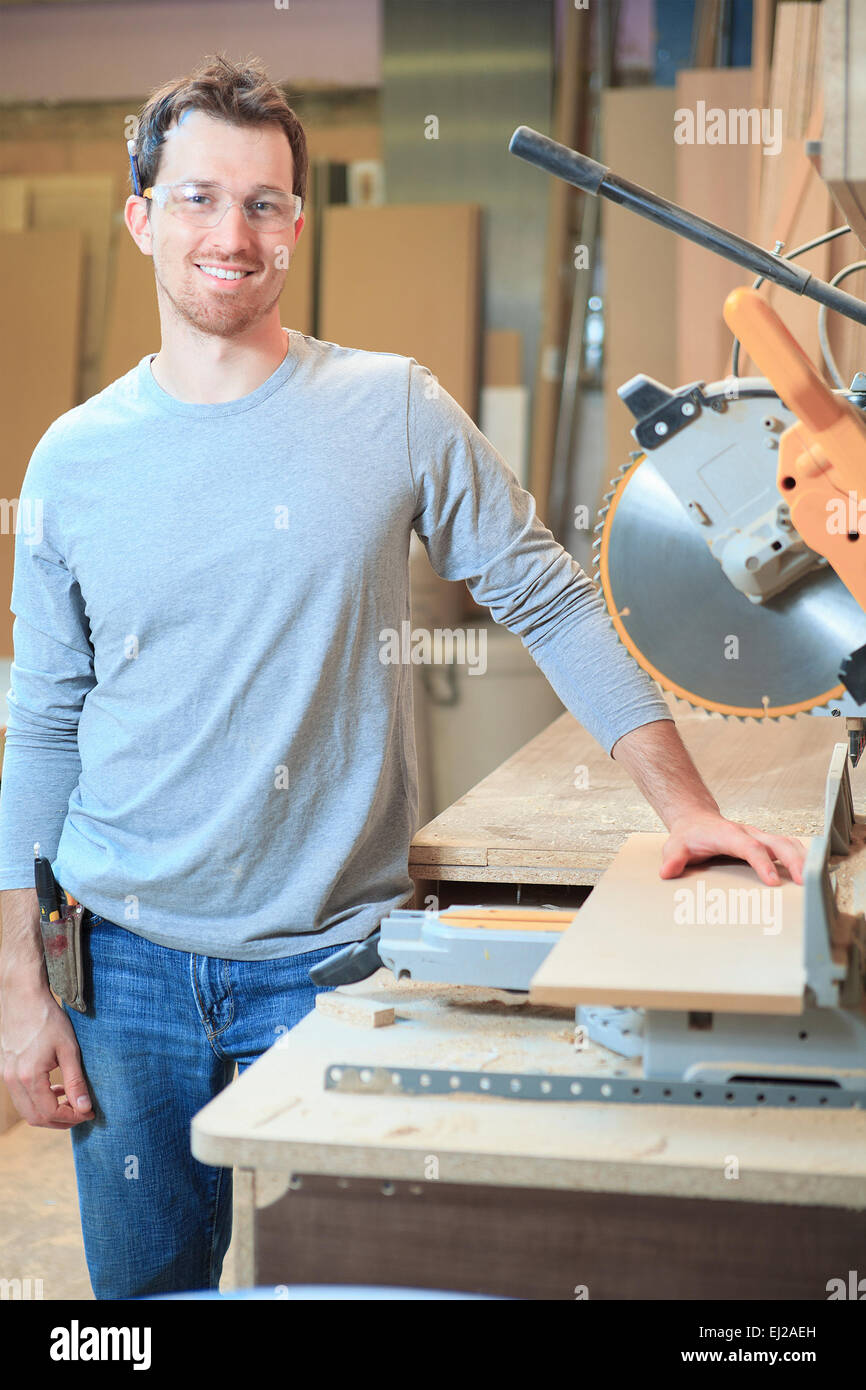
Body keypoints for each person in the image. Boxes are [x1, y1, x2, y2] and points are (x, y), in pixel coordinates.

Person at [0, 53, 806, 1300]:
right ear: (141, 217)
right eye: (201, 197)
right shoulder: (72, 458)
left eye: (265, 201)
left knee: (370, 1281)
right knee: (148, 1302)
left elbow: (545, 592)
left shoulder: (391, 408)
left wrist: (687, 811)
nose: (234, 231)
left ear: (297, 223)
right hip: (123, 964)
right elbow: (44, 718)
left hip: (335, 956)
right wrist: (23, 987)